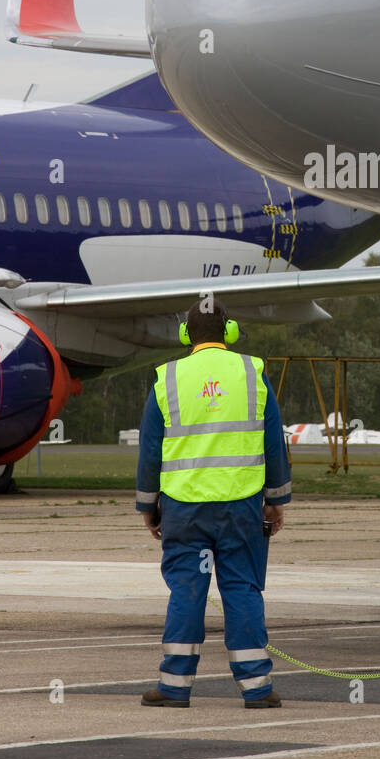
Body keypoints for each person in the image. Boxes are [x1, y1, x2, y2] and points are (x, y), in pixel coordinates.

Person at [135, 297, 291, 708]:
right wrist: (276, 499)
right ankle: (257, 688)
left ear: (185, 334)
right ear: (230, 332)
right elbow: (273, 442)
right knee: (242, 587)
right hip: (241, 506)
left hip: (183, 509)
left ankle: (174, 687)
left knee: (187, 589)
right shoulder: (251, 372)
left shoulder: (167, 378)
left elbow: (151, 450)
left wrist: (148, 507)